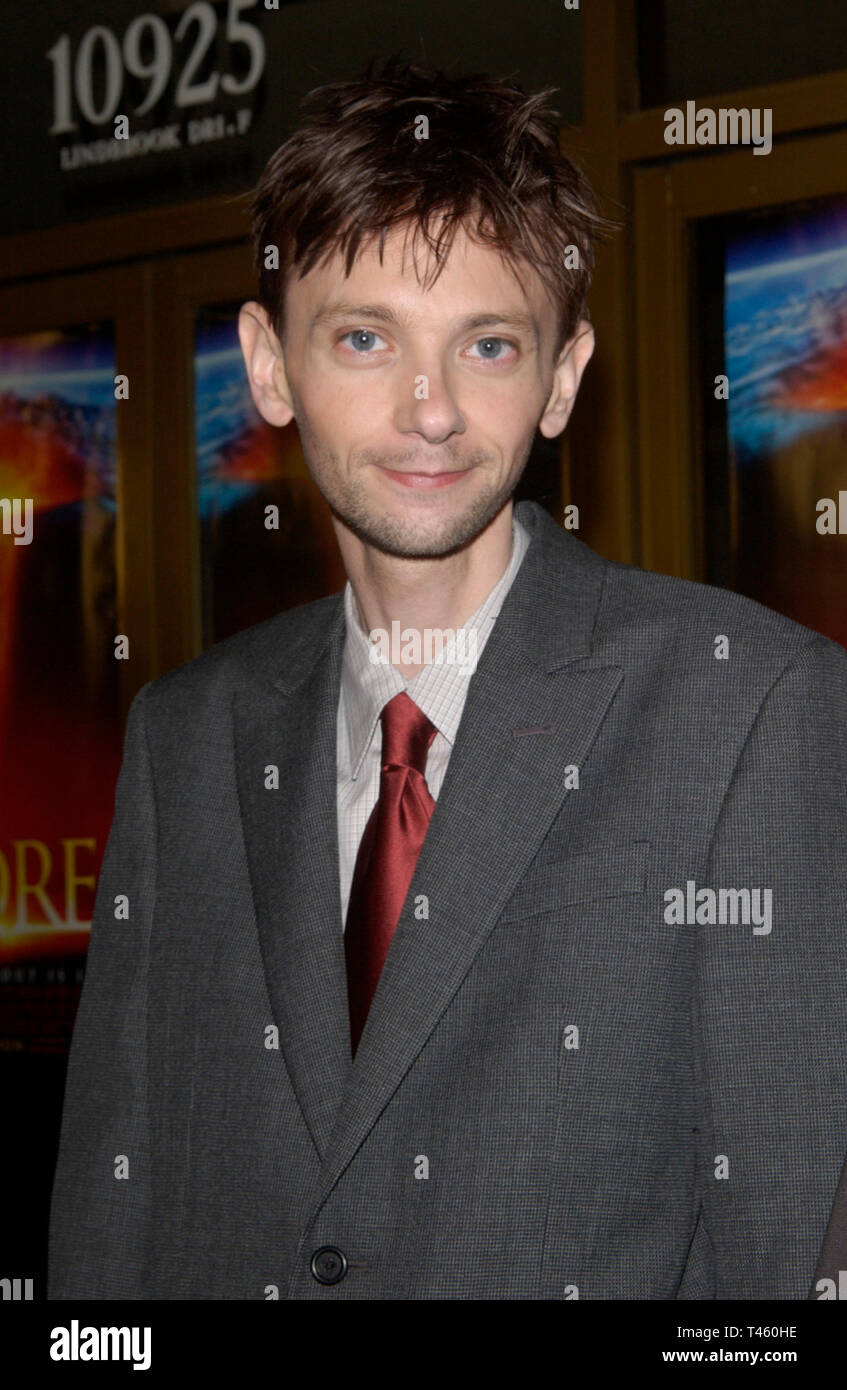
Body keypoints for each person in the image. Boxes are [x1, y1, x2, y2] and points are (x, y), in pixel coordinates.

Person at [48, 58, 847, 1301]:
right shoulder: (184, 734)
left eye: (486, 343)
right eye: (365, 338)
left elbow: (782, 1257)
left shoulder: (748, 709)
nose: (430, 410)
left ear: (561, 378)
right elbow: (113, 1212)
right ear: (268, 363)